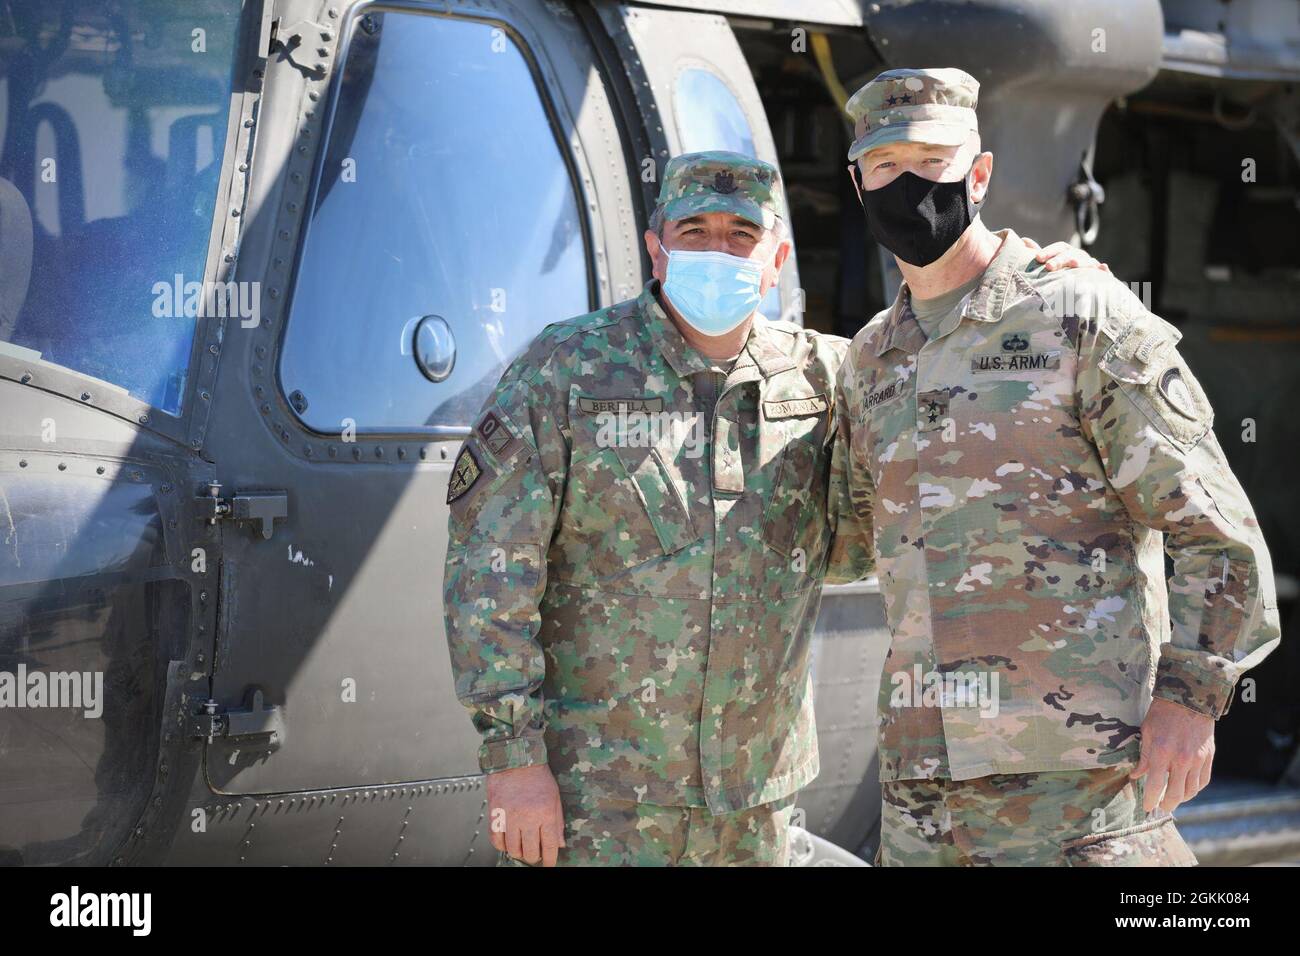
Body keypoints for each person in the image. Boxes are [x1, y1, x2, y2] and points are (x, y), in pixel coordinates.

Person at [833, 67, 1281, 865]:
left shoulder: (1082, 319)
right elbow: (850, 537)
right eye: (885, 167)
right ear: (859, 182)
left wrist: (1193, 701)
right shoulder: (871, 359)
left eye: (930, 162)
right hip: (923, 800)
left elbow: (1217, 531)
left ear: (979, 173)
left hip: (1079, 796)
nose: (908, 186)